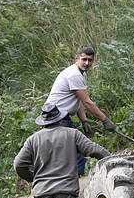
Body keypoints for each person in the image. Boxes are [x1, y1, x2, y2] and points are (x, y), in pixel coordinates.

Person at [45, 45, 117, 176]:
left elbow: (78, 101)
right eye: (84, 59)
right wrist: (105, 120)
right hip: (56, 118)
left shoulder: (80, 74)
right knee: (76, 152)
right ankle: (74, 184)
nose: (87, 63)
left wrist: (84, 120)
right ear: (76, 58)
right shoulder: (74, 75)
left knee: (76, 150)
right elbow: (87, 102)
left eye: (90, 60)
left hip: (62, 118)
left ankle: (73, 180)